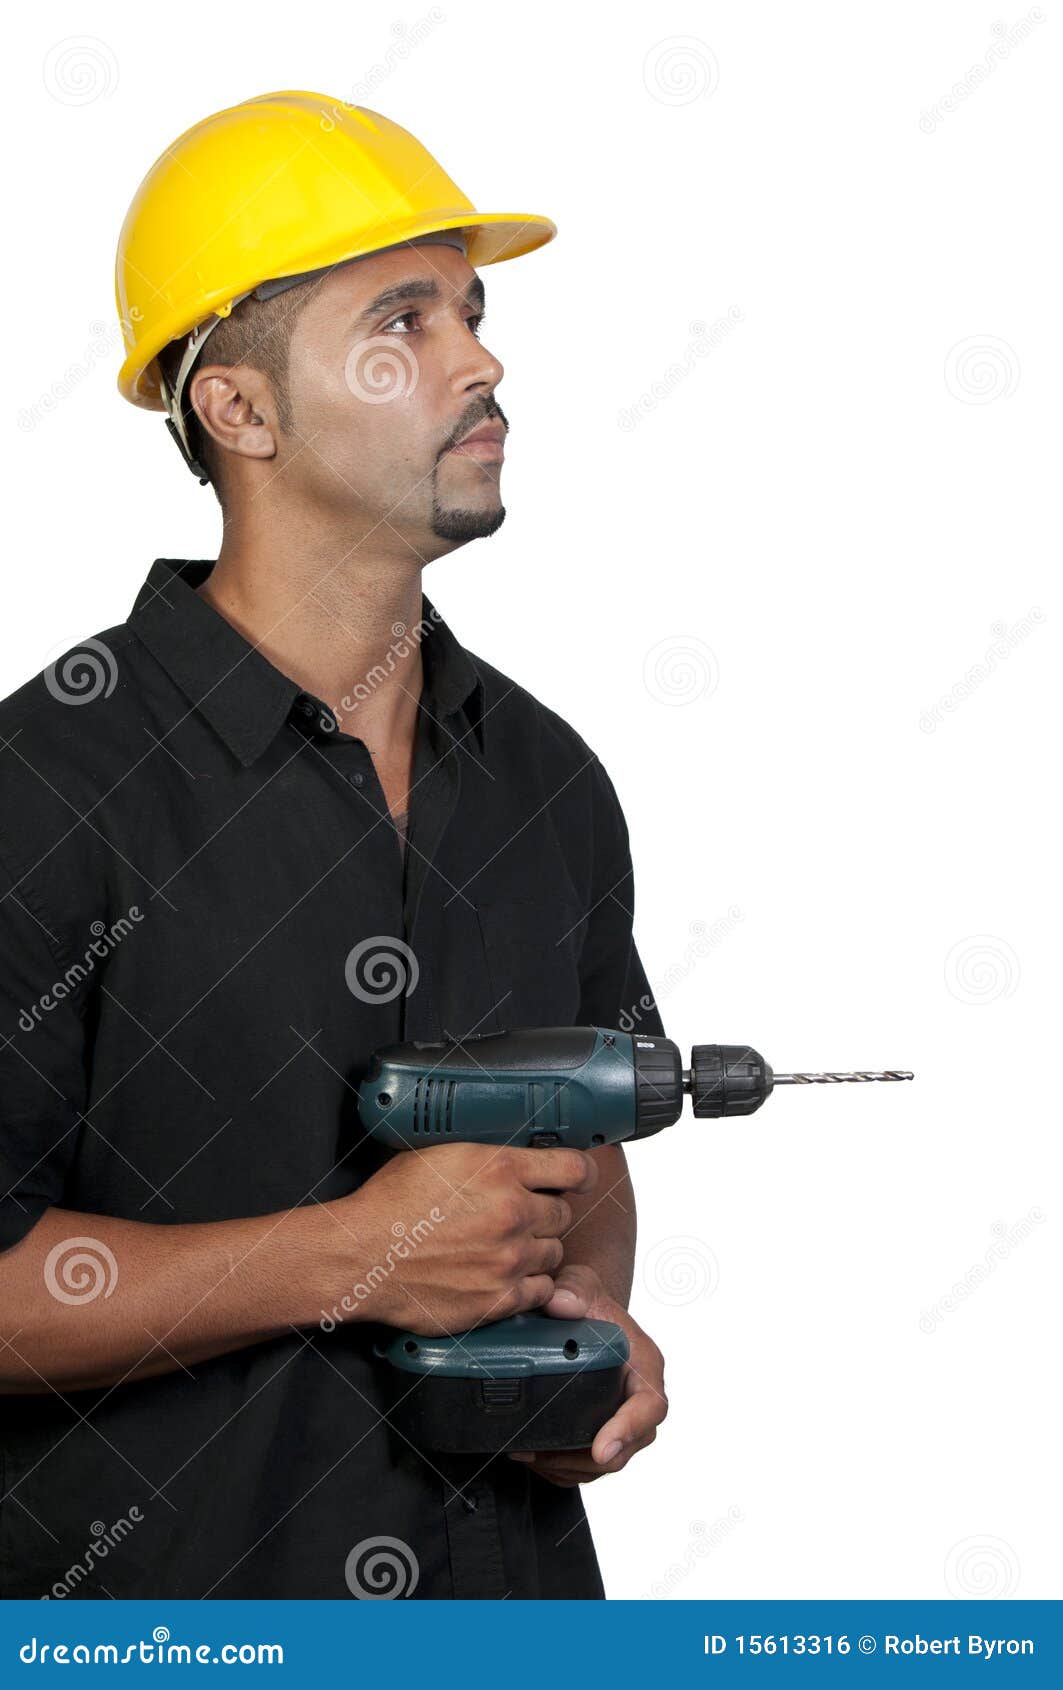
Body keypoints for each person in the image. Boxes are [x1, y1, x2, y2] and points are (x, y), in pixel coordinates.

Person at [0, 90, 667, 1600]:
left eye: (475, 312)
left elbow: (588, 1153)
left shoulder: (546, 778)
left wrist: (579, 1331)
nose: (481, 360)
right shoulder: (47, 783)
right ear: (240, 411)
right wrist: (353, 1254)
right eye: (404, 321)